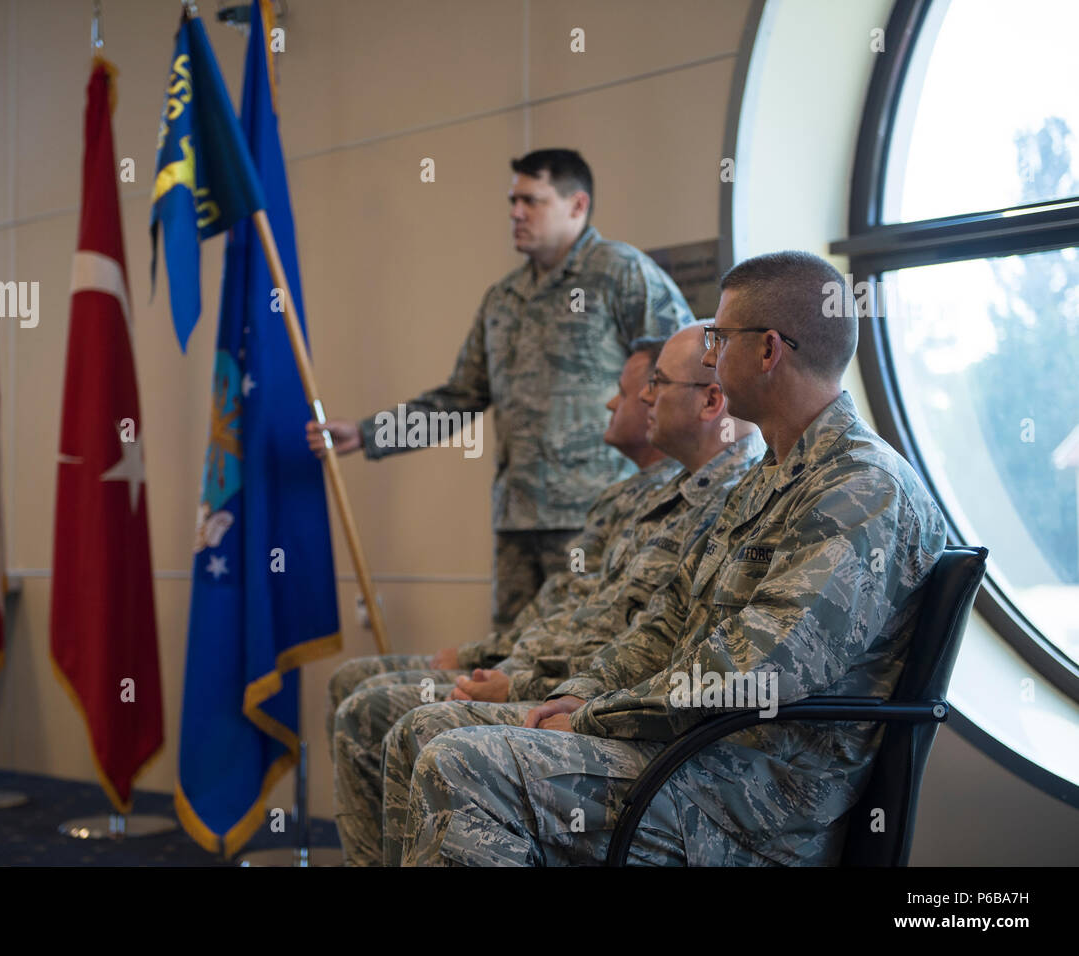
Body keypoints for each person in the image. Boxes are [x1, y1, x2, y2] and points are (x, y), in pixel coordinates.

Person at [385, 250, 948, 867]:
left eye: (719, 338)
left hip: (756, 800)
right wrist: (581, 695)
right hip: (691, 757)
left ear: (768, 352)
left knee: (463, 763)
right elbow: (668, 618)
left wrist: (599, 718)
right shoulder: (769, 476)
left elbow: (756, 670)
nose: (710, 357)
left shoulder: (863, 488)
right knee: (425, 729)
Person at [333, 325, 763, 866]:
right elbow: (612, 620)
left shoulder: (745, 497)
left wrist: (562, 699)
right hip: (608, 703)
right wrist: (527, 676)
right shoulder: (677, 494)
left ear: (711, 400)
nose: (629, 399)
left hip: (708, 770)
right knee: (389, 711)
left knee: (428, 732)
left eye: (654, 382)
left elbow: (715, 670)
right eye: (643, 384)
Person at [307, 149, 693, 628]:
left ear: (577, 205)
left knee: (583, 661)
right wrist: (368, 434)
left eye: (531, 200)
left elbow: (686, 371)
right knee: (506, 669)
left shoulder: (623, 274)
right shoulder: (502, 299)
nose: (514, 212)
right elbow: (460, 397)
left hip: (599, 518)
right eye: (512, 200)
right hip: (517, 523)